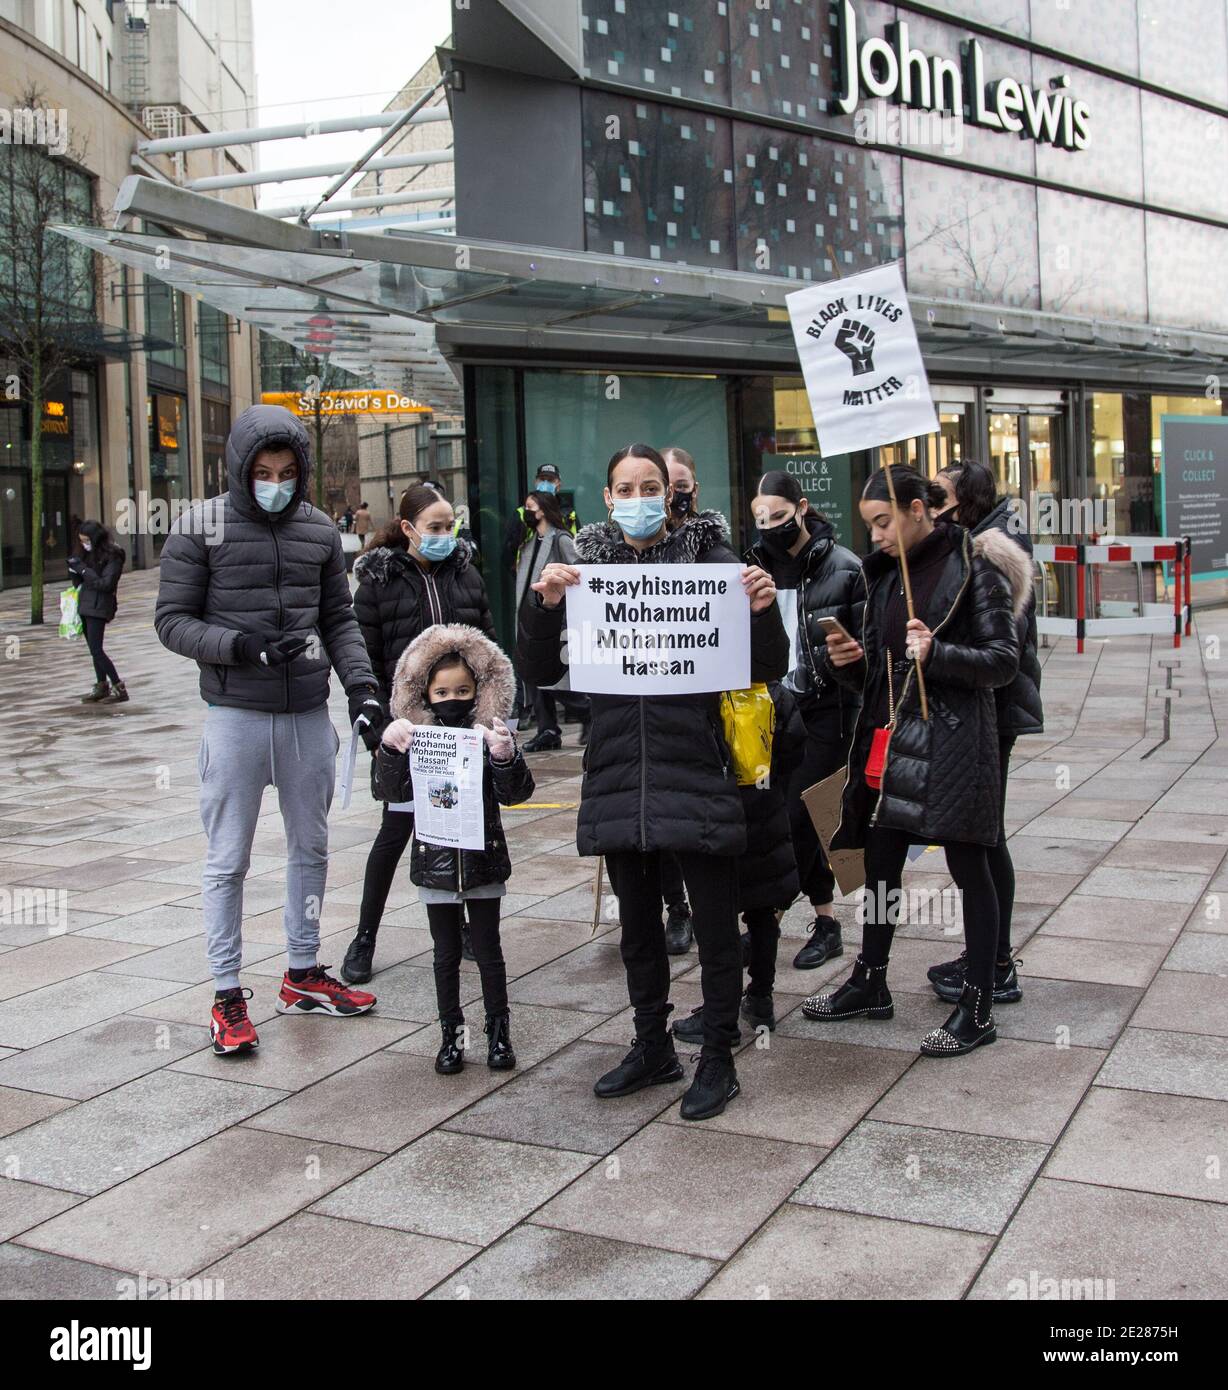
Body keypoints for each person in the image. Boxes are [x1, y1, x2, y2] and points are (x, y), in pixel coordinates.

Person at [519, 443, 788, 1121]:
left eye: (651, 486)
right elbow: (535, 665)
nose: (638, 497)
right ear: (608, 498)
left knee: (715, 923)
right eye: (624, 487)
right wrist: (546, 605)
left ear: (670, 494)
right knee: (636, 925)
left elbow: (768, 665)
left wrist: (762, 607)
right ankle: (651, 1045)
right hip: (618, 766)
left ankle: (719, 1059)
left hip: (695, 763)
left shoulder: (712, 561)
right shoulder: (584, 570)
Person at [155, 403, 384, 1057]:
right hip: (236, 716)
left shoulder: (317, 531)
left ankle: (304, 972)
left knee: (311, 849)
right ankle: (227, 994)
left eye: (287, 471)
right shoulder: (200, 527)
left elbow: (340, 620)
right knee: (229, 858)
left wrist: (363, 690)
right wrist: (241, 645)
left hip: (307, 713)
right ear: (240, 468)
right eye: (263, 471)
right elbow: (171, 619)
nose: (275, 482)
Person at [800, 465, 1029, 1058]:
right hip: (885, 738)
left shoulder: (977, 568)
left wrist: (939, 652)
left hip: (953, 743)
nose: (873, 536)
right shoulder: (881, 576)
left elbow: (1003, 659)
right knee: (878, 861)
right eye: (869, 525)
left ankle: (978, 1003)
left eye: (882, 522)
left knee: (968, 864)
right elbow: (878, 674)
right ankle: (870, 978)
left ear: (918, 511)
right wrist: (848, 661)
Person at [344, 483, 498, 984]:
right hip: (408, 732)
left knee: (462, 828)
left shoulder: (466, 576)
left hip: (462, 729)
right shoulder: (378, 584)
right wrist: (379, 728)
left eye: (449, 525)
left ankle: (464, 929)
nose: (444, 535)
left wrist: (490, 719)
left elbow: (487, 650)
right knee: (396, 831)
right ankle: (365, 935)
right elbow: (362, 656)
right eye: (434, 527)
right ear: (408, 529)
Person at [375, 624, 534, 1073]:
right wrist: (390, 750)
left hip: (483, 863)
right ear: (424, 692)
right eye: (441, 691)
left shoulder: (485, 735)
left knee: (489, 951)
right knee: (444, 956)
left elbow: (516, 794)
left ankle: (499, 1033)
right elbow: (389, 791)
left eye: (463, 689)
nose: (452, 698)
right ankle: (451, 1036)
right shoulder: (417, 737)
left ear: (479, 689)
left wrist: (504, 754)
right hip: (435, 865)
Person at [925, 461, 1042, 1007]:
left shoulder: (993, 552)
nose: (929, 502)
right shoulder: (969, 543)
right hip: (979, 710)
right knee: (976, 835)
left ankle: (996, 963)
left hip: (990, 712)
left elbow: (998, 648)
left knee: (982, 836)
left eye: (939, 495)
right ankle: (987, 953)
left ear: (965, 502)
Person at [746, 470, 864, 969]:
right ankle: (826, 919)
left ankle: (778, 917)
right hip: (773, 707)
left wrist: (852, 659)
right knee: (792, 816)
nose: (770, 526)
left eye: (778, 515)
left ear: (802, 507)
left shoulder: (844, 566)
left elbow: (868, 649)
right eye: (760, 518)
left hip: (828, 708)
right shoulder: (753, 567)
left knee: (802, 811)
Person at [672, 680, 805, 1041]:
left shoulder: (699, 690)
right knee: (763, 914)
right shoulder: (773, 690)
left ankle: (720, 1010)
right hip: (767, 815)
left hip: (717, 816)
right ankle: (761, 996)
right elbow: (794, 748)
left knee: (718, 916)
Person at [514, 487, 578, 753]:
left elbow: (578, 573)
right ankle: (547, 729)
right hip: (532, 617)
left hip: (556, 620)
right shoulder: (529, 543)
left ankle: (586, 713)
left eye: (530, 506)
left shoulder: (561, 539)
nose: (526, 512)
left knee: (555, 682)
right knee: (534, 676)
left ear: (543, 509)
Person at [68, 520, 128, 704]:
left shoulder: (113, 555)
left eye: (87, 540)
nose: (84, 544)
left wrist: (84, 570)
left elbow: (106, 583)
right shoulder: (86, 554)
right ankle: (102, 685)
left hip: (100, 605)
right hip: (85, 604)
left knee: (97, 649)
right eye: (81, 541)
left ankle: (119, 687)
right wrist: (75, 570)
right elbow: (80, 582)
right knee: (94, 650)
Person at [503, 463, 578, 571]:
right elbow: (509, 552)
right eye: (542, 479)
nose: (545, 483)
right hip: (529, 575)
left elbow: (576, 549)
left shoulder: (569, 514)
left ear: (558, 485)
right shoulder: (522, 513)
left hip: (560, 576)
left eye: (551, 480)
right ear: (536, 482)